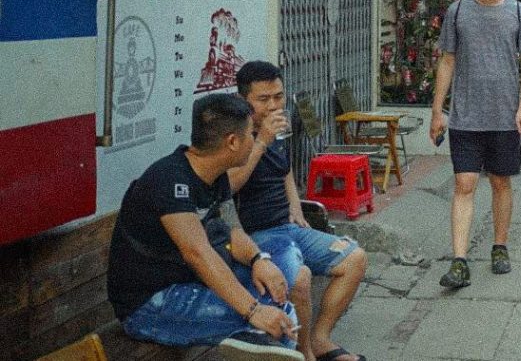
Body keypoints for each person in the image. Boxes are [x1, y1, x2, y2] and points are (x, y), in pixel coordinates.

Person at [108, 93, 301, 360]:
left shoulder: (214, 176)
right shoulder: (170, 180)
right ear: (232, 142)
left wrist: (259, 259)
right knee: (276, 321)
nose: (255, 140)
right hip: (148, 306)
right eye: (251, 134)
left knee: (279, 294)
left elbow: (230, 232)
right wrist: (254, 311)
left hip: (190, 283)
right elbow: (197, 253)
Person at [230, 62, 367, 361]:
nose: (273, 105)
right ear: (243, 100)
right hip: (256, 236)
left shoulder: (279, 127)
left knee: (354, 258)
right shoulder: (234, 135)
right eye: (263, 99)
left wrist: (295, 205)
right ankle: (305, 354)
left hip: (288, 226)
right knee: (299, 279)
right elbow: (230, 185)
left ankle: (320, 339)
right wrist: (261, 141)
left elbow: (286, 170)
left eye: (278, 96)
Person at [429, 0, 521, 289]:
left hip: (505, 116)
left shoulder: (519, 12)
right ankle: (459, 261)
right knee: (465, 183)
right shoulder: (459, 11)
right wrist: (437, 111)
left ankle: (499, 246)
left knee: (501, 182)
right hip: (465, 116)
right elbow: (447, 60)